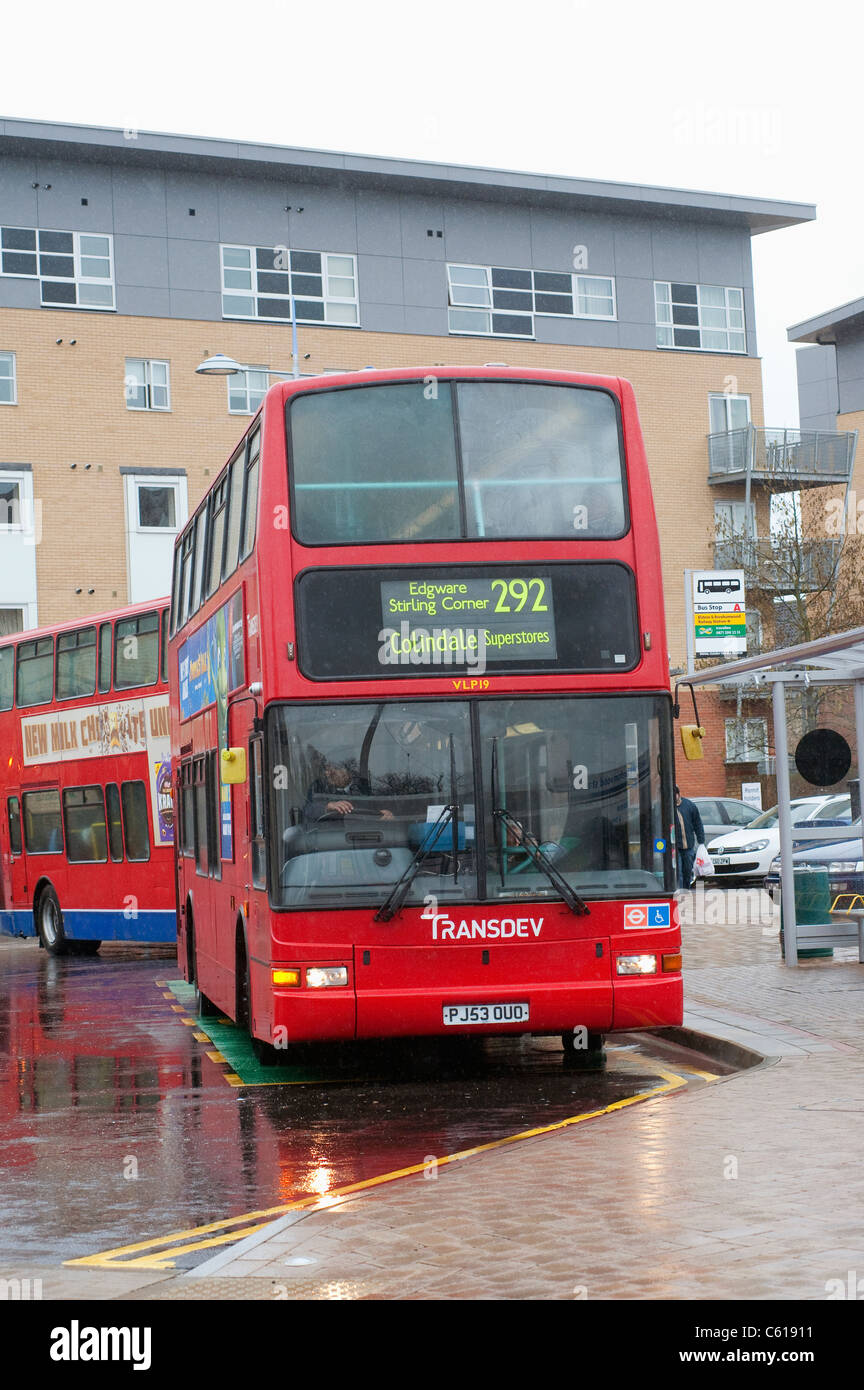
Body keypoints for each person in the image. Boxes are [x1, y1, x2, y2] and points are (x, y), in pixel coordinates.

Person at [304, 758, 393, 822]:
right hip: (329, 839)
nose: (328, 773)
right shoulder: (318, 786)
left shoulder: (365, 787)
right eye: (326, 769)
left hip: (365, 836)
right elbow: (307, 810)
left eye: (334, 768)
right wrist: (327, 806)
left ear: (347, 771)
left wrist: (387, 813)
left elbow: (378, 805)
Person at [675, 786, 705, 889]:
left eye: (675, 795)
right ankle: (680, 891)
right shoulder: (668, 807)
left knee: (687, 870)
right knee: (678, 872)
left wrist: (701, 840)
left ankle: (686, 889)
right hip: (675, 847)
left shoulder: (689, 806)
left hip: (688, 845)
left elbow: (697, 823)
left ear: (679, 794)